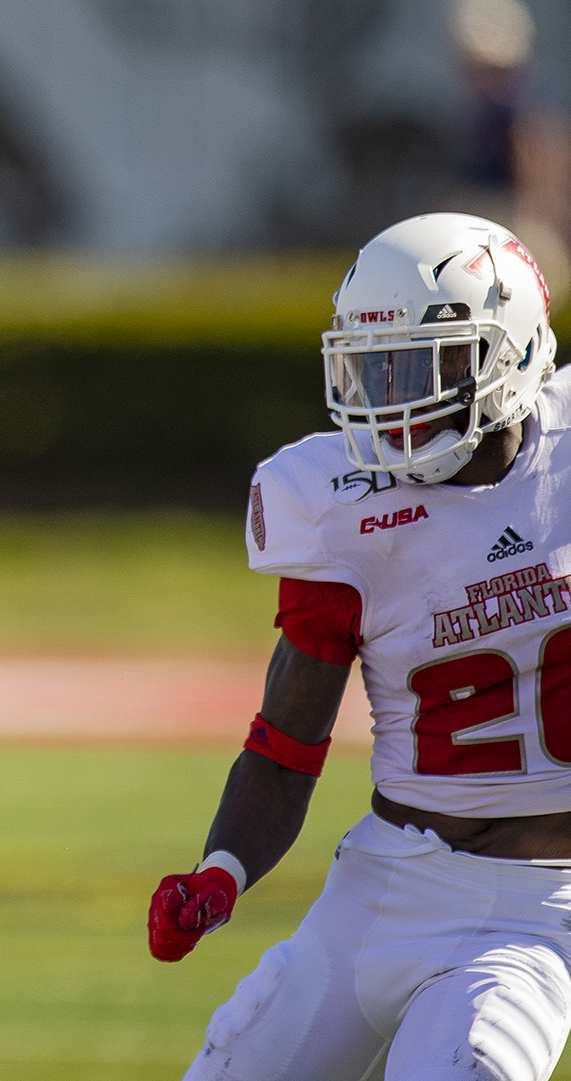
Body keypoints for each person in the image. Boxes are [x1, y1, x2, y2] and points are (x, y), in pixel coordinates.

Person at [148, 212, 571, 1078]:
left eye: (425, 362)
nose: (394, 397)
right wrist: (221, 871)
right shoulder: (340, 508)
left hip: (541, 907)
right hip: (386, 885)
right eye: (375, 366)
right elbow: (285, 745)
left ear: (512, 350)